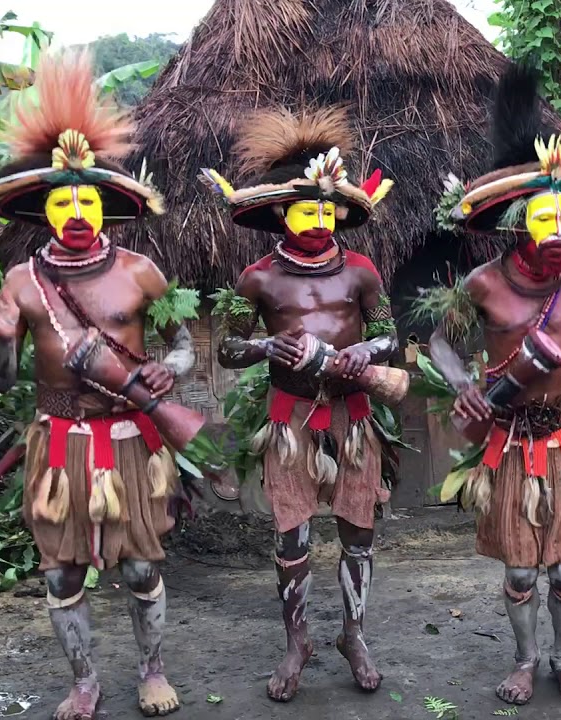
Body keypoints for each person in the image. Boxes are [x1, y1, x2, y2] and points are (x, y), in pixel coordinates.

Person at [0, 52, 195, 720]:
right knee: (63, 572)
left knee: (137, 569)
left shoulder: (141, 271)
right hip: (60, 440)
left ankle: (152, 669)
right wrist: (3, 341)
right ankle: (84, 681)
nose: (76, 209)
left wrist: (171, 368)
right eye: (64, 199)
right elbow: (3, 382)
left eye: (88, 198)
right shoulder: (20, 283)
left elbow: (183, 346)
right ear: (45, 208)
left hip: (131, 438)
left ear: (106, 206)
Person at [425, 64, 561, 706]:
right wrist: (463, 380)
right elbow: (436, 341)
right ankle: (524, 660)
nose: (560, 231)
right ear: (520, 219)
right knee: (521, 570)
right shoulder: (483, 283)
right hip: (508, 443)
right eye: (546, 219)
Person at [204, 106, 396, 702]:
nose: (316, 218)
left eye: (324, 208)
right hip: (290, 422)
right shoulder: (258, 278)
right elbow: (229, 350)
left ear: (338, 209)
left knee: (357, 533)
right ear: (281, 212)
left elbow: (393, 336)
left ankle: (354, 635)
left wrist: (368, 348)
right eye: (304, 208)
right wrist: (267, 344)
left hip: (353, 420)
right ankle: (297, 641)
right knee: (292, 537)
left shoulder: (360, 271)